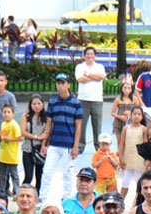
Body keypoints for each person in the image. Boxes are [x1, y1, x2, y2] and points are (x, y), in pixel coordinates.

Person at [40, 73, 84, 204]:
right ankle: (42, 198)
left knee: (67, 174)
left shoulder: (76, 103)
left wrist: (76, 146)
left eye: (63, 83)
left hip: (68, 145)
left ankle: (66, 198)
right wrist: (44, 143)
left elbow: (78, 126)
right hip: (54, 144)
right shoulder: (53, 102)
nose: (60, 86)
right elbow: (48, 125)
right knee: (47, 172)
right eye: (58, 83)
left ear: (68, 84)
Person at [74, 46, 106, 150]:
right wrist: (94, 77)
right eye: (87, 54)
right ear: (84, 56)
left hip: (97, 100)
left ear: (95, 56)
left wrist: (88, 74)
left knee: (97, 126)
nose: (90, 56)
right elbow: (80, 79)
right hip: (83, 100)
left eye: (92, 54)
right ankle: (80, 146)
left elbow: (101, 77)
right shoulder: (79, 67)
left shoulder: (100, 66)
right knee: (81, 125)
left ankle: (98, 147)